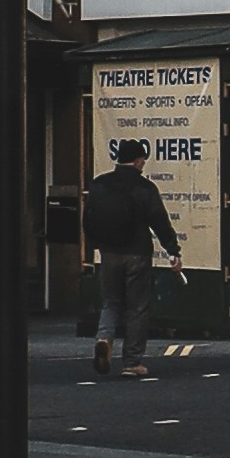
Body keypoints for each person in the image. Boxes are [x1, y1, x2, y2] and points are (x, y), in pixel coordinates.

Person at [83, 134, 181, 369]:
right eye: (142, 160)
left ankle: (104, 338)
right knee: (137, 307)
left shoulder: (99, 184)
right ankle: (132, 361)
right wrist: (173, 250)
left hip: (109, 253)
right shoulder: (144, 187)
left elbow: (87, 219)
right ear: (137, 161)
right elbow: (159, 220)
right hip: (137, 252)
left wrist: (97, 244)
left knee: (111, 302)